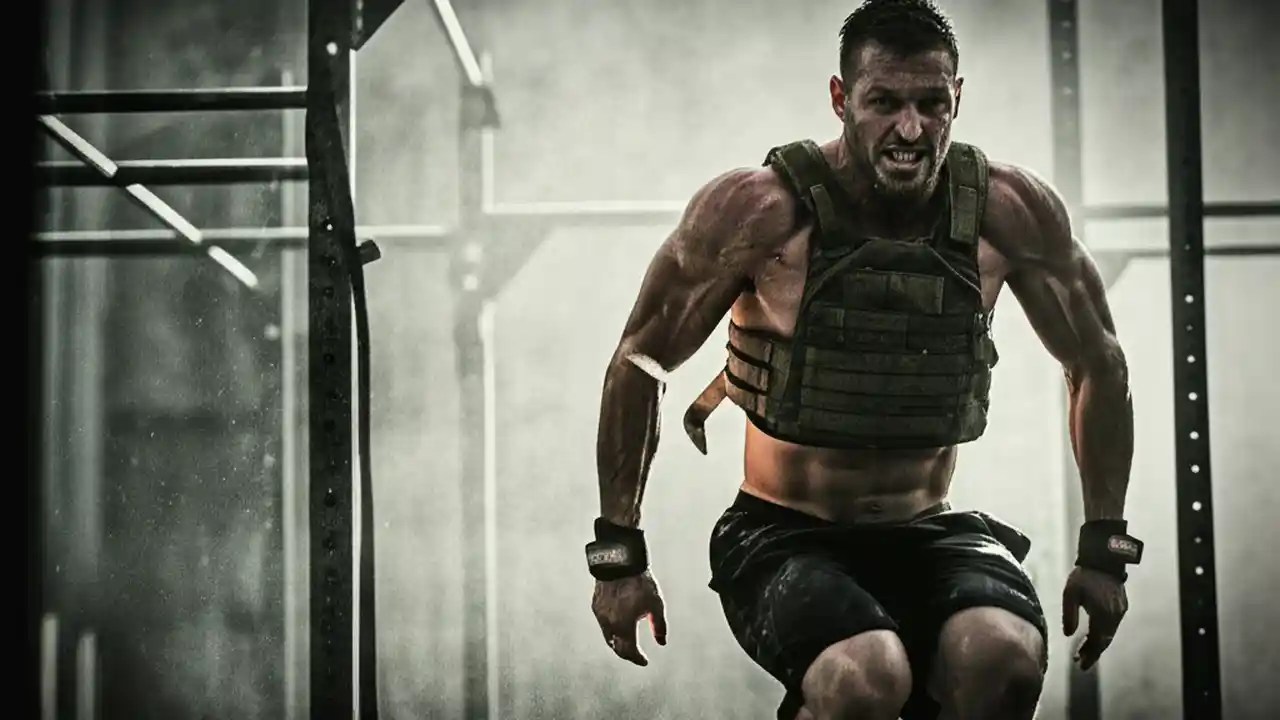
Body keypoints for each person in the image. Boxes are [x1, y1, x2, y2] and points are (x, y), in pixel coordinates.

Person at [584, 1, 1143, 718]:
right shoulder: (759, 211)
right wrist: (618, 554)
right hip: (783, 533)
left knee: (1002, 661)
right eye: (884, 103)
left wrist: (1104, 548)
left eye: (931, 104)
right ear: (841, 98)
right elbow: (640, 361)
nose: (910, 129)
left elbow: (1099, 363)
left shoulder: (1009, 211)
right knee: (864, 679)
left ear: (957, 98)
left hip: (928, 527)